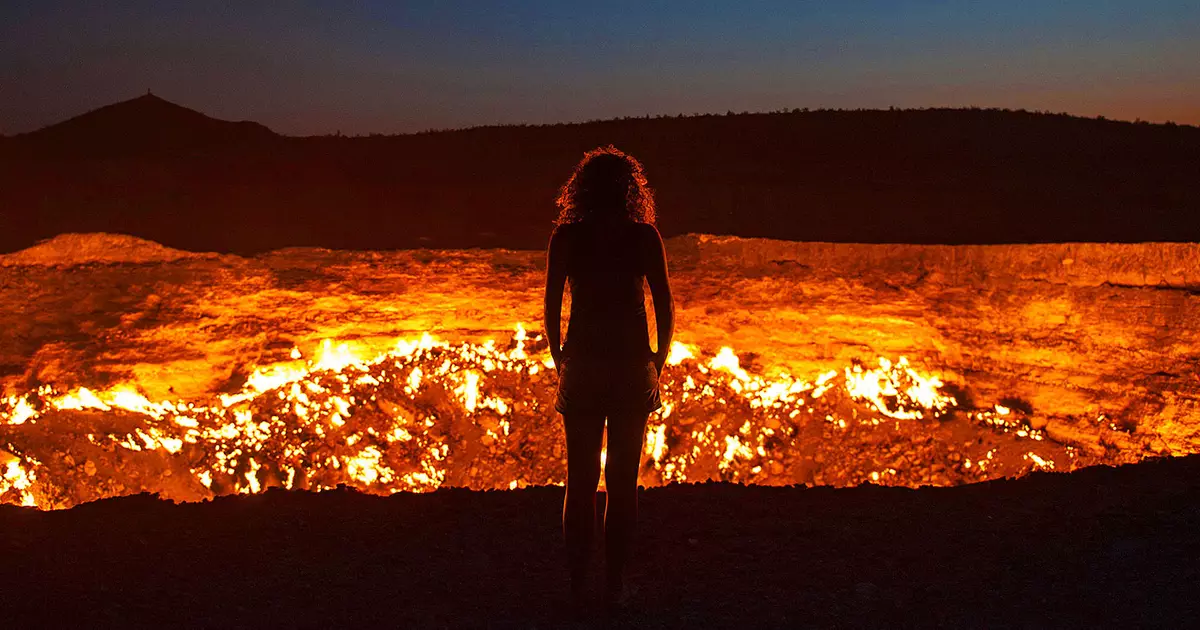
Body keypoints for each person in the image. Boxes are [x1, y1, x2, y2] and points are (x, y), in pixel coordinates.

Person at [543, 145, 674, 611]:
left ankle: (578, 586)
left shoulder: (567, 238)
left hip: (582, 364)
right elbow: (664, 304)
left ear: (581, 190)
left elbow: (551, 310)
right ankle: (615, 585)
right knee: (622, 480)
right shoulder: (644, 237)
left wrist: (562, 358)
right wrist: (656, 360)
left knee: (578, 481)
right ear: (630, 190)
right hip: (629, 365)